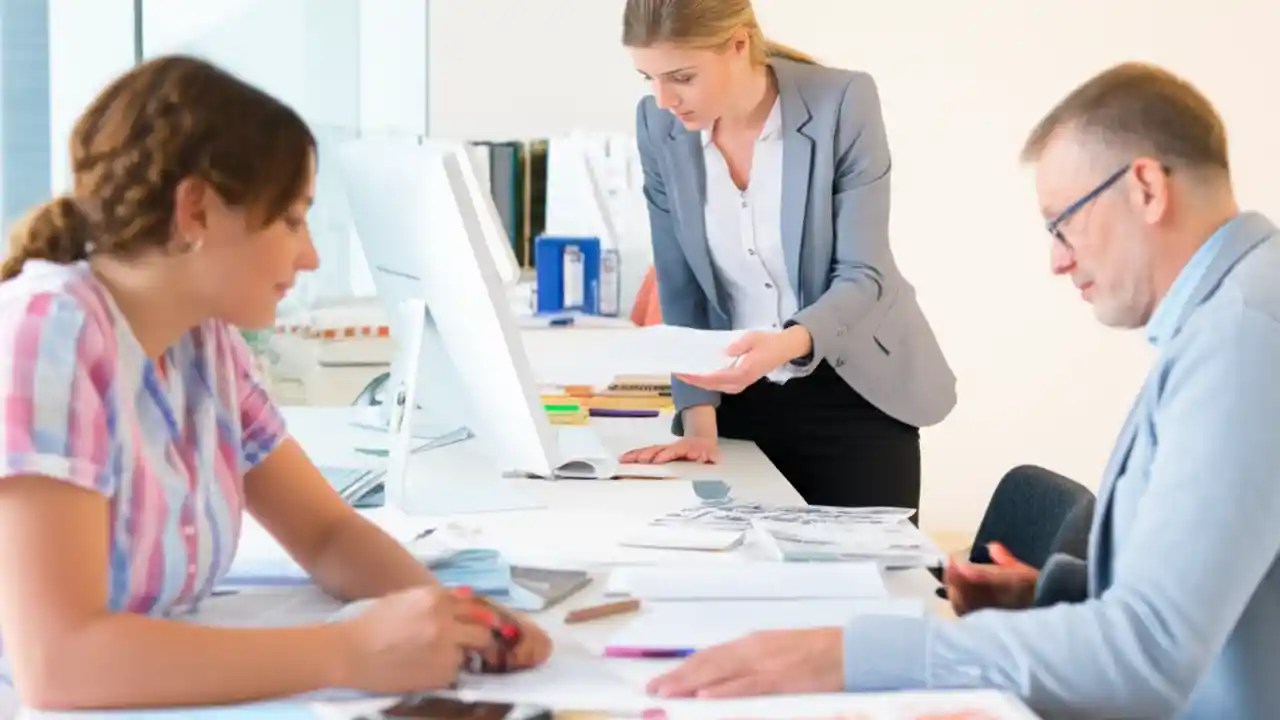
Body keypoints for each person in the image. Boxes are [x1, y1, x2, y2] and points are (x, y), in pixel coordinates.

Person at [644, 61, 1280, 719]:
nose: (1057, 261)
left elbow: (1150, 653)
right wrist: (1049, 603)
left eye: (1063, 223)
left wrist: (851, 655)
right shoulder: (1236, 311)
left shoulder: (1247, 337)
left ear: (1145, 187)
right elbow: (1208, 595)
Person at [0, 56, 550, 715]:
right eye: (292, 219)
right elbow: (59, 666)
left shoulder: (205, 341)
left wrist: (454, 618)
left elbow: (325, 534)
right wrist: (346, 653)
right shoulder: (46, 331)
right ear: (196, 211)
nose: (311, 255)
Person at [618, 0, 956, 512]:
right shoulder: (659, 126)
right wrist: (699, 427)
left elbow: (864, 275)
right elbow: (679, 279)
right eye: (650, 79)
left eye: (682, 77)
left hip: (851, 393)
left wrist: (785, 345)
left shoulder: (840, 102)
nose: (665, 99)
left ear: (737, 44)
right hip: (735, 398)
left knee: (874, 583)